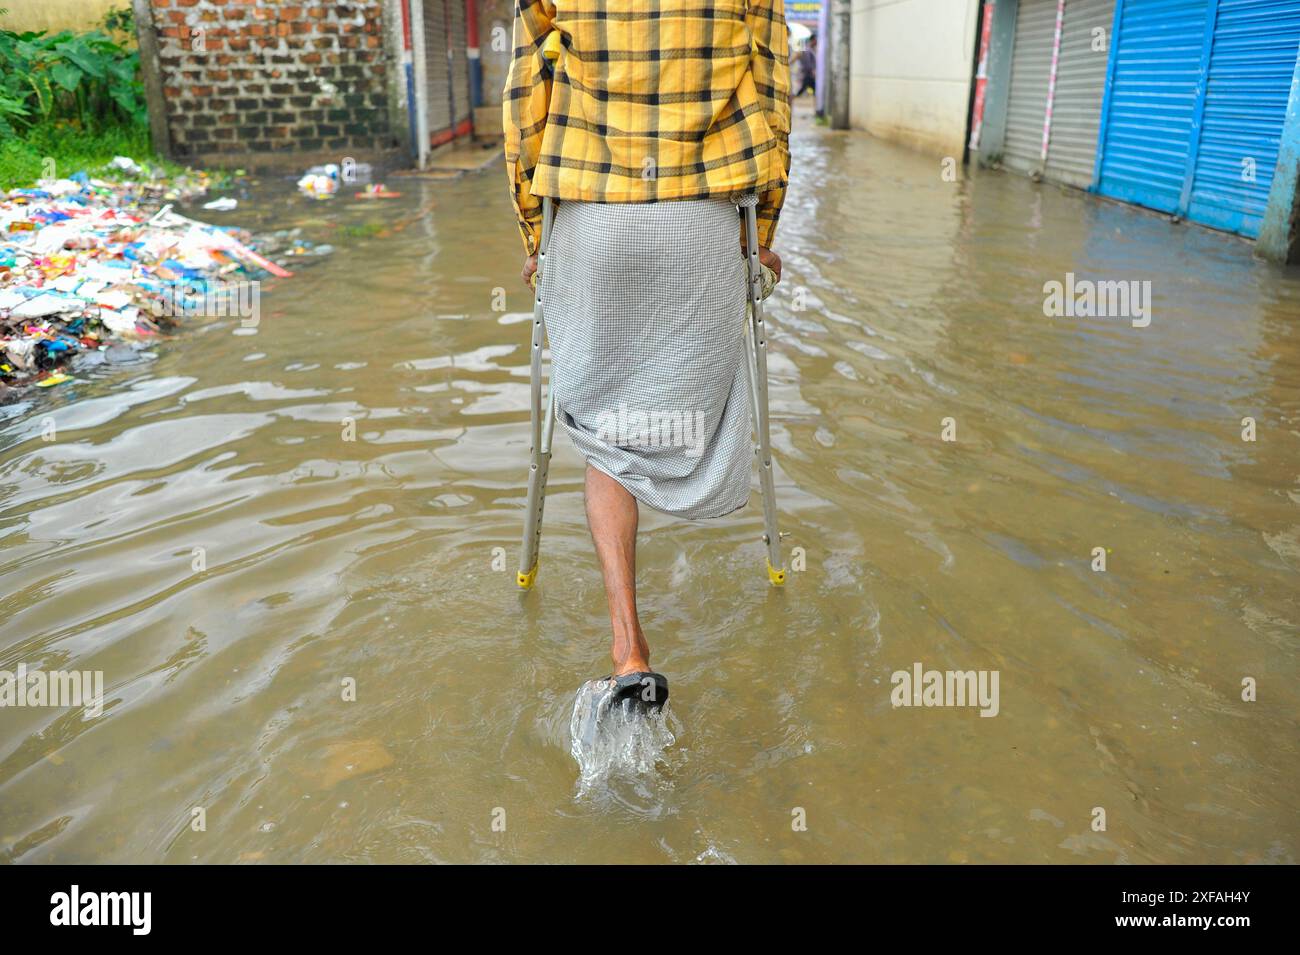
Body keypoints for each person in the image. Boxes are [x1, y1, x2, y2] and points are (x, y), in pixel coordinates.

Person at [503, 0, 791, 709]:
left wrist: (535, 237)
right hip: (703, 217)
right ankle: (755, 556)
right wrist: (764, 232)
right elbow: (774, 100)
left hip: (593, 220)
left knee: (609, 431)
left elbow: (524, 106)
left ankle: (628, 646)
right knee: (677, 404)